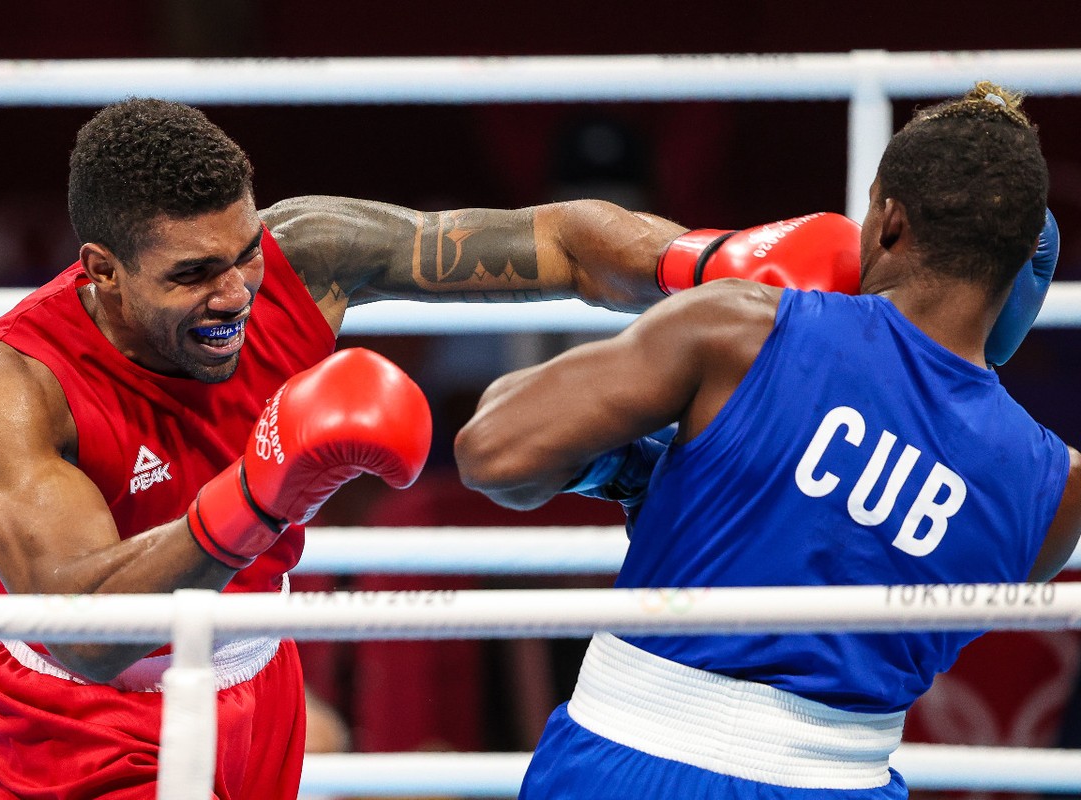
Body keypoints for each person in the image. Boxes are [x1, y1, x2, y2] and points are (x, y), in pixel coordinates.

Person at [0, 98, 865, 799]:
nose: (234, 295)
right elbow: (85, 633)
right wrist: (260, 492)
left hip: (259, 679)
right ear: (101, 268)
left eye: (245, 252)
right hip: (82, 723)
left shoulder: (309, 258)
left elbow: (559, 242)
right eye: (192, 275)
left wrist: (701, 264)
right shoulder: (10, 384)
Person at [453, 82, 1081, 798]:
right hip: (841, 782)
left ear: (890, 224)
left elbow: (492, 452)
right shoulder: (1057, 489)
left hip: (627, 760)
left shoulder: (742, 328)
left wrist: (630, 472)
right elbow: (882, 527)